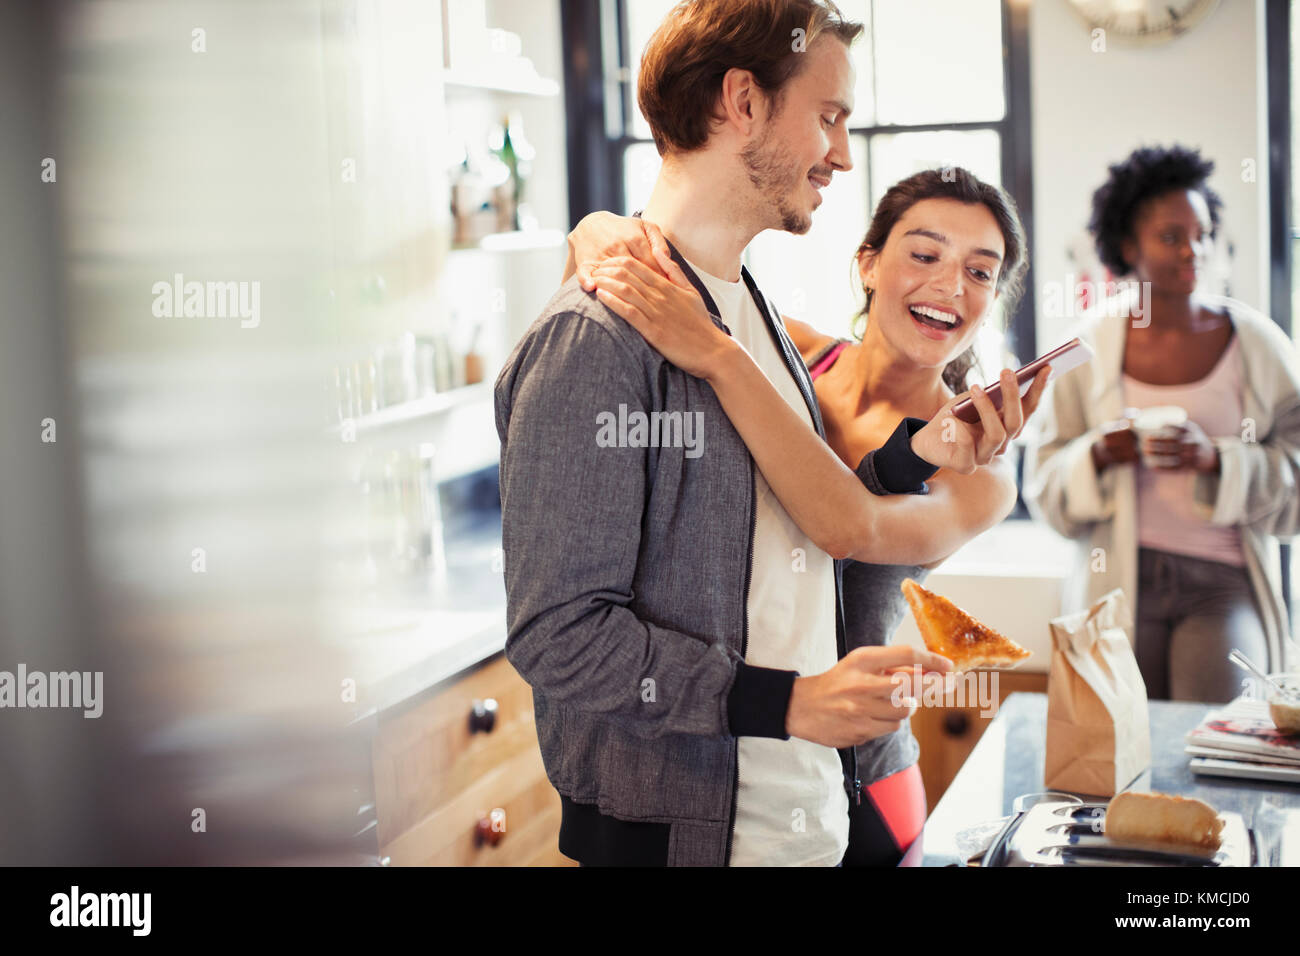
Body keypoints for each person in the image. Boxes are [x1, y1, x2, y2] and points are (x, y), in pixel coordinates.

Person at [495, 0, 1038, 866]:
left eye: (982, 270)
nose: (841, 154)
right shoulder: (597, 340)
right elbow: (557, 634)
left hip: (808, 819)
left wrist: (915, 455)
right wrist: (784, 703)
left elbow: (824, 513)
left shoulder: (751, 326)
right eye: (828, 117)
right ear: (743, 102)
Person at [567, 167, 1035, 864]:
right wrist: (597, 229)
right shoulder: (795, 359)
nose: (950, 287)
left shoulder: (979, 469)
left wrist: (717, 355)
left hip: (859, 778)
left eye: (979, 272)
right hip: (725, 751)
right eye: (925, 254)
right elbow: (609, 257)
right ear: (868, 264)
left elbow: (850, 528)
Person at [1026, 145, 1300, 702]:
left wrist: (1217, 460)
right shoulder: (1085, 349)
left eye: (1201, 234)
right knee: (1123, 753)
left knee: (1213, 742)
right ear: (1128, 245)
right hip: (1118, 584)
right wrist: (1099, 453)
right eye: (1171, 236)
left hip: (1223, 584)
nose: (1193, 250)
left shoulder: (1258, 344)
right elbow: (1045, 486)